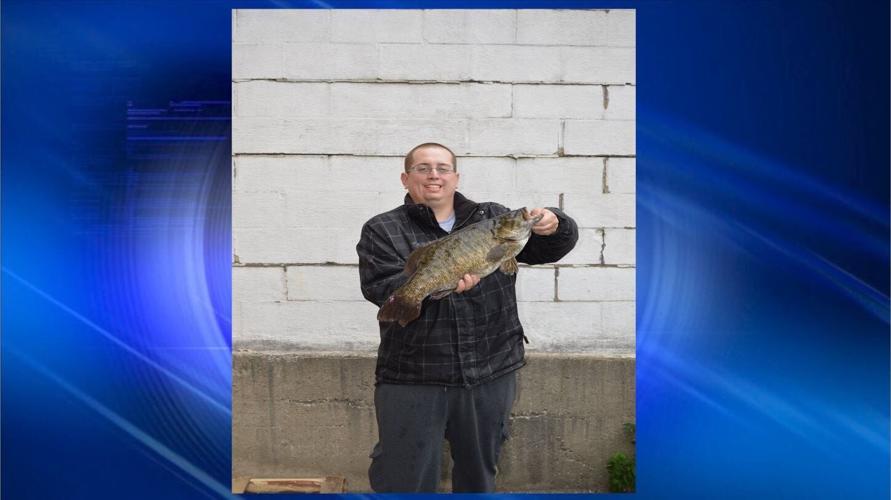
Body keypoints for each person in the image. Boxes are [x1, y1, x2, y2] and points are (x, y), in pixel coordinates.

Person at [356, 142, 578, 493]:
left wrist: (555, 223)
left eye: (443, 168)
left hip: (490, 372)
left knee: (478, 477)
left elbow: (546, 248)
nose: (434, 175)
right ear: (405, 178)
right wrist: (435, 281)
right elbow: (378, 287)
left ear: (456, 177)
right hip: (413, 374)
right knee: (404, 478)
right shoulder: (382, 229)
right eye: (423, 168)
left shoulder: (491, 216)